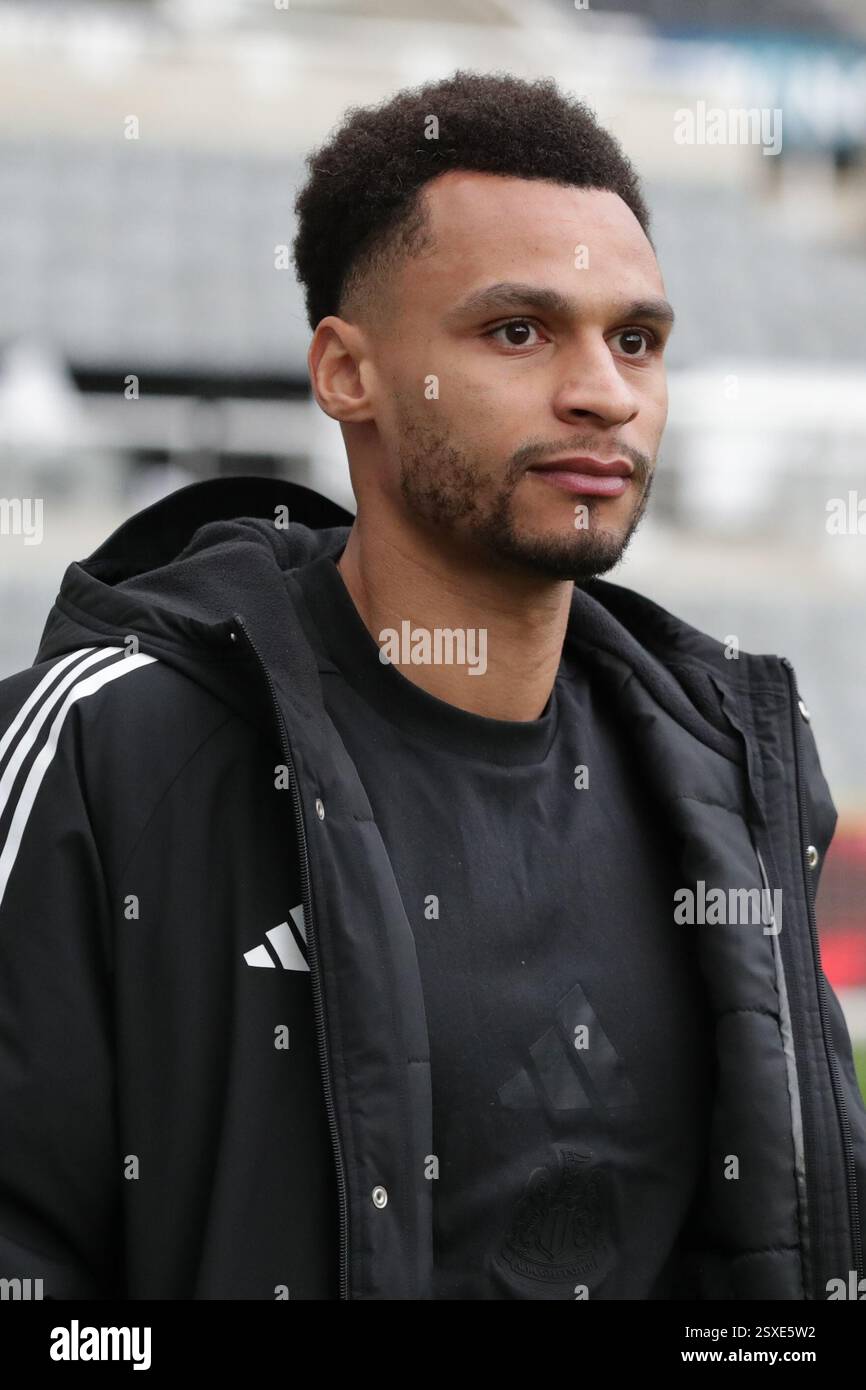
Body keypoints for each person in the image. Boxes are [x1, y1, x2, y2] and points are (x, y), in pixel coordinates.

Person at [0, 71, 863, 1301]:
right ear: (346, 373)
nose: (601, 392)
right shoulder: (115, 743)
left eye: (634, 339)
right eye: (517, 331)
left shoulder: (732, 776)